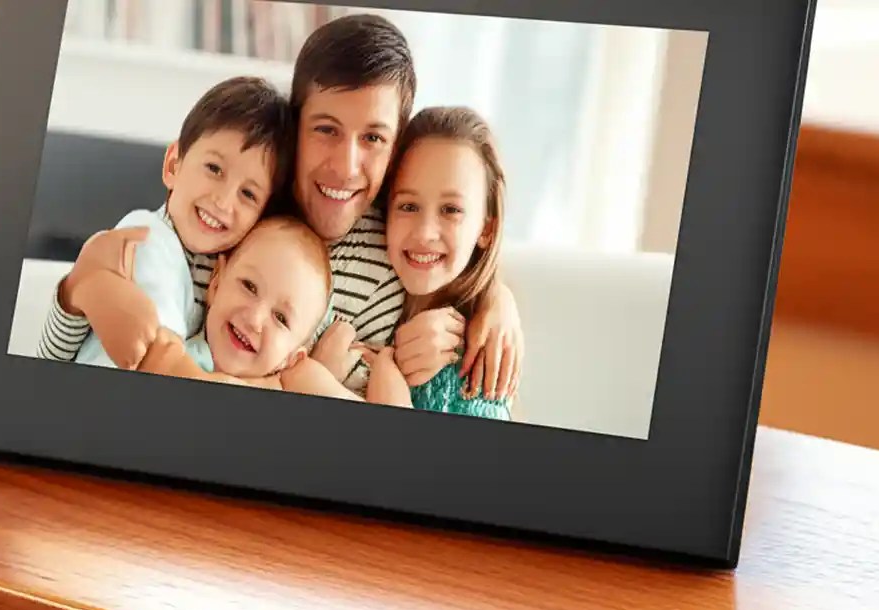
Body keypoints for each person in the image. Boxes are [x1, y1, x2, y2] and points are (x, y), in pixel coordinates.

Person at [37, 13, 524, 397]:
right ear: (295, 125)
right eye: (326, 129)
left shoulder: (393, 253)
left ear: (394, 150)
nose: (345, 165)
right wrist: (81, 289)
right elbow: (64, 362)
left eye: (373, 137)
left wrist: (495, 298)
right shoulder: (236, 218)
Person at [64, 76, 293, 369]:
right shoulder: (145, 239)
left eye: (248, 194)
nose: (223, 201)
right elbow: (162, 361)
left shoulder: (231, 272)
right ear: (174, 165)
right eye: (214, 169)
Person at [357, 107, 512, 420]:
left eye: (451, 210)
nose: (425, 233)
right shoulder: (362, 288)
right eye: (408, 206)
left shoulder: (475, 365)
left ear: (486, 229)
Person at [136, 216, 354, 401]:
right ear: (216, 282)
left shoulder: (296, 383)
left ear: (291, 359)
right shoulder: (172, 356)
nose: (255, 319)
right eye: (249, 287)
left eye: (280, 318)